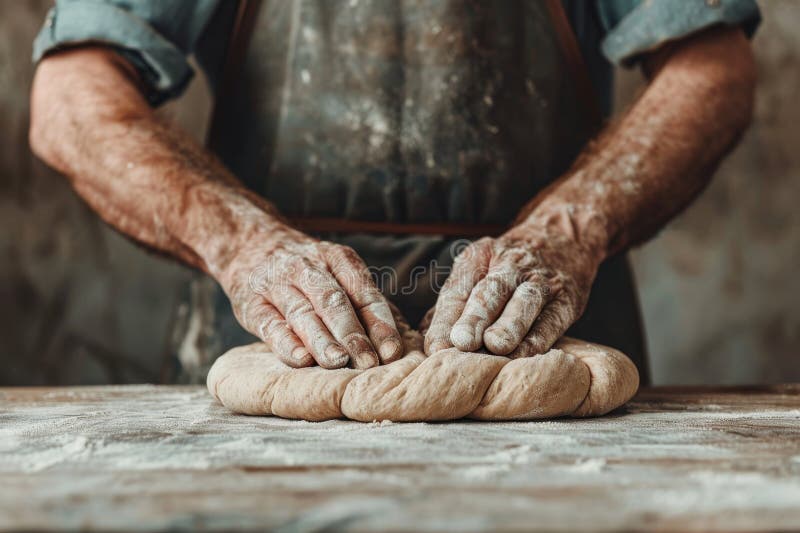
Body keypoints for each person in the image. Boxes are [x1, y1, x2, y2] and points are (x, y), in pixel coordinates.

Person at [29, 0, 759, 383]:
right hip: (278, 342)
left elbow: (713, 70)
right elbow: (70, 99)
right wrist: (246, 245)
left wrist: (569, 231)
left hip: (543, 329)